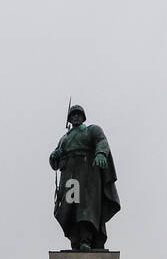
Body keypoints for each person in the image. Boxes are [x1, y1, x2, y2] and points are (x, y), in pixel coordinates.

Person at [49, 105, 120, 250]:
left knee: (86, 207)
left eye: (78, 114)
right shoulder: (64, 139)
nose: (75, 117)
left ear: (83, 117)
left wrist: (100, 153)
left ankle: (86, 240)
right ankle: (75, 240)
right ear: (69, 119)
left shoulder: (92, 130)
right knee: (70, 208)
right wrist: (54, 156)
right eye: (73, 115)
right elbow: (55, 163)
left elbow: (102, 141)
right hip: (69, 175)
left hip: (88, 173)